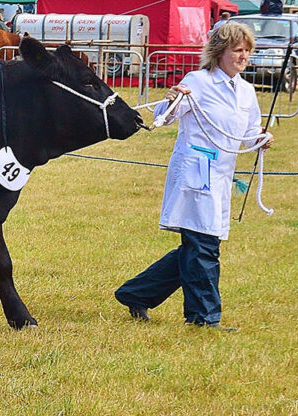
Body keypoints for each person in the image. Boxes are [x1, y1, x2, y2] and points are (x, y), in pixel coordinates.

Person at [115, 23, 271, 332]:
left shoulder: (246, 90)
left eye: (247, 51)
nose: (243, 56)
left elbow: (250, 132)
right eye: (237, 50)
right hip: (196, 172)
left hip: (222, 176)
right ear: (219, 53)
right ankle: (204, 317)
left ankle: (136, 293)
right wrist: (173, 97)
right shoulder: (198, 82)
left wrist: (262, 140)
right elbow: (164, 116)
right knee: (203, 245)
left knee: (196, 246)